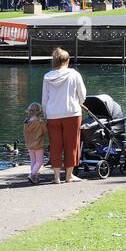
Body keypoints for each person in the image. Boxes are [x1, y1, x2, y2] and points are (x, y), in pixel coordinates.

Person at [41, 47, 87, 184]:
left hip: (53, 115)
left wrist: (45, 114)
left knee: (55, 145)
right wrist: (79, 102)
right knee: (71, 145)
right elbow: (82, 95)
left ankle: (56, 177)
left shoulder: (47, 77)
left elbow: (45, 99)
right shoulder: (74, 75)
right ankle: (69, 175)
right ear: (67, 61)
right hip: (72, 113)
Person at [23, 102, 48, 184]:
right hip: (38, 144)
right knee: (39, 162)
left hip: (29, 145)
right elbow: (45, 131)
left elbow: (25, 133)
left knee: (33, 161)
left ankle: (35, 178)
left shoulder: (26, 122)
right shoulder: (40, 122)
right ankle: (32, 174)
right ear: (39, 112)